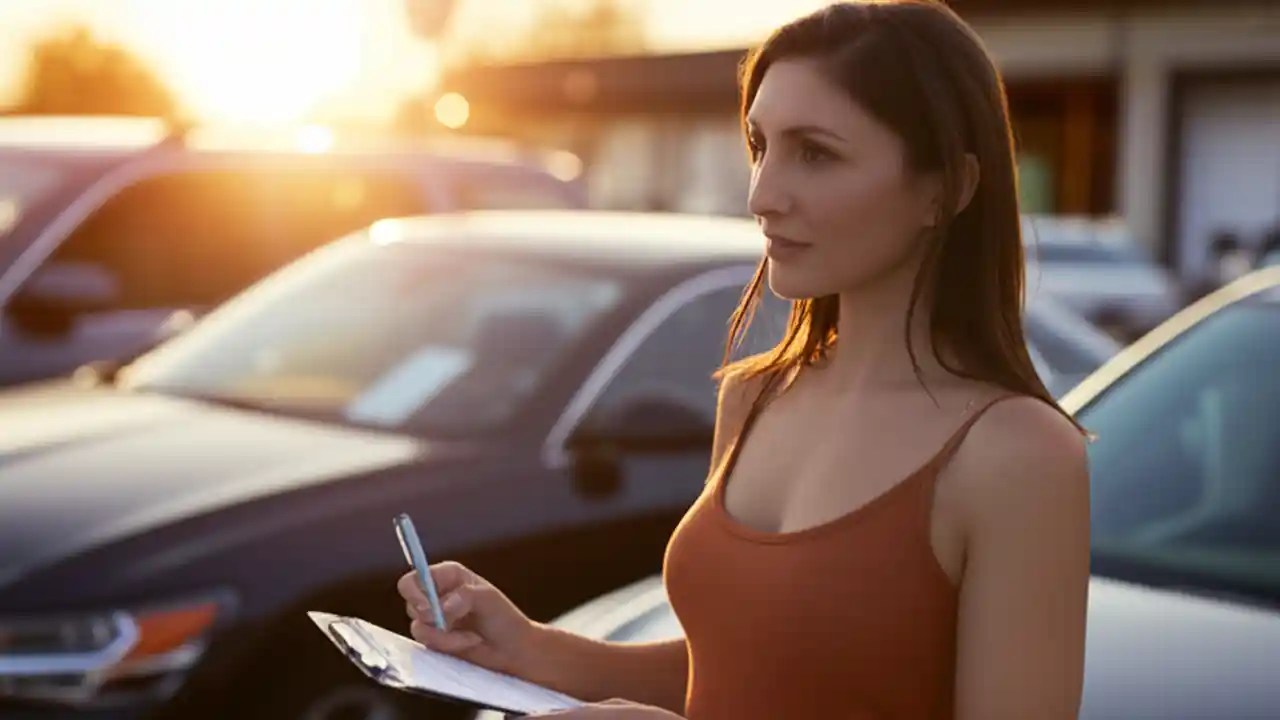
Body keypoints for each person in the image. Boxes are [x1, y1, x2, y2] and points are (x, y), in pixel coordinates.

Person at [397, 1, 1090, 717]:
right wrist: (527, 646)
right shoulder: (754, 399)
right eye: (761, 145)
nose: (762, 195)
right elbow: (736, 674)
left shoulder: (1019, 457)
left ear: (946, 188)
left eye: (815, 153)